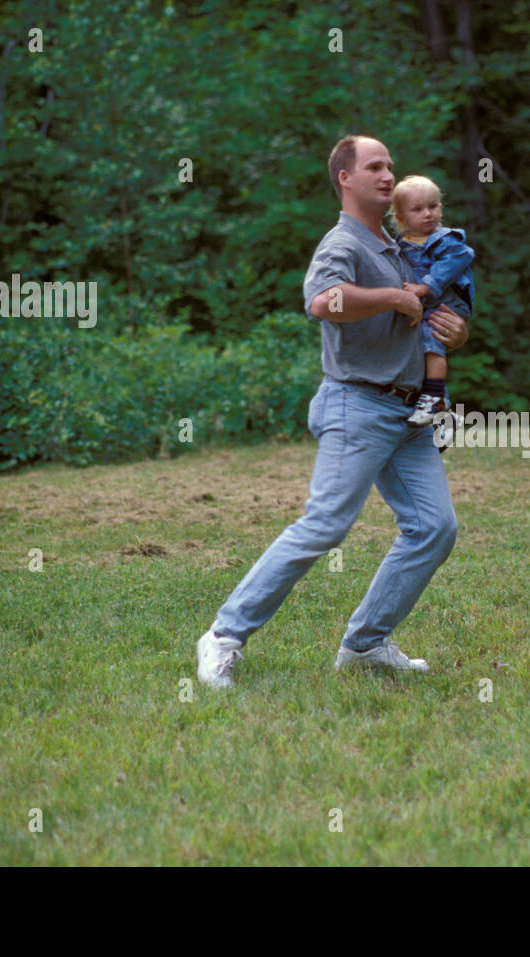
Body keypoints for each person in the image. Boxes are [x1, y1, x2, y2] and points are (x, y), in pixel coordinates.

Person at [195, 135, 468, 687]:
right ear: (345, 178)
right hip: (359, 404)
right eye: (374, 166)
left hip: (409, 412)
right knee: (325, 525)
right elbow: (323, 302)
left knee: (434, 527)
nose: (388, 174)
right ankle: (224, 634)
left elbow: (423, 321)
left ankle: (365, 646)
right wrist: (392, 298)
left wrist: (454, 333)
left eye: (390, 165)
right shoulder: (342, 243)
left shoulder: (399, 247)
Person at [387, 175, 474, 451]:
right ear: (401, 217)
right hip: (428, 304)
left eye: (433, 206)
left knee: (429, 336)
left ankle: (435, 397)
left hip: (447, 302)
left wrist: (425, 287)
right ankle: (444, 416)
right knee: (418, 353)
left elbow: (461, 258)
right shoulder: (401, 244)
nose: (428, 214)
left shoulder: (446, 240)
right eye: (418, 209)